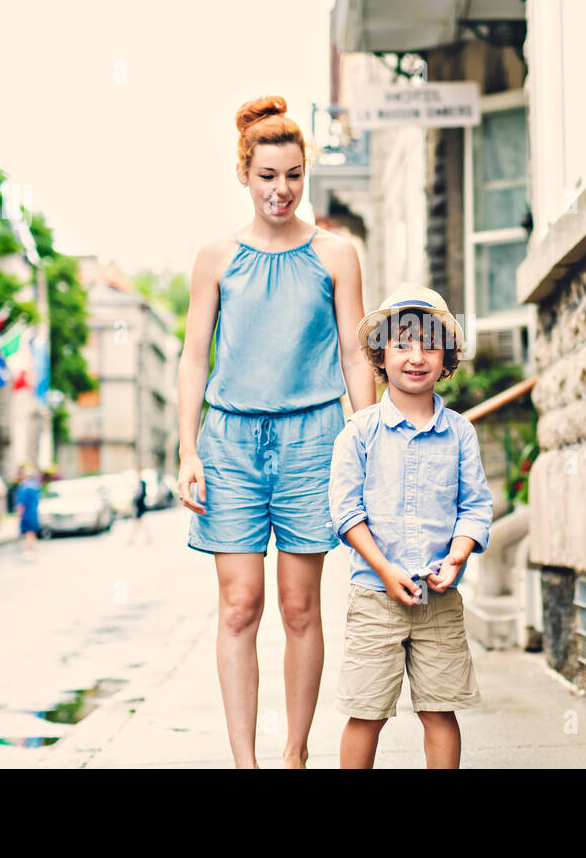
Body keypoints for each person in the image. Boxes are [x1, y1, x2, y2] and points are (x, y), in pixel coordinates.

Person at [176, 94, 376, 769]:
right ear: (244, 176)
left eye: (293, 175)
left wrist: (368, 441)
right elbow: (192, 356)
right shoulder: (214, 258)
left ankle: (294, 753)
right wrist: (185, 451)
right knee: (239, 604)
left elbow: (355, 354)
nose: (281, 190)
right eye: (267, 176)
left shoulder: (337, 255)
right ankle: (246, 762)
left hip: (314, 440)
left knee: (298, 606)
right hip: (229, 442)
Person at [328, 285, 494, 769]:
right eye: (402, 344)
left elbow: (475, 506)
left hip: (439, 601)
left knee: (440, 711)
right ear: (381, 356)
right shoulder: (359, 432)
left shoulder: (460, 432)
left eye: (429, 344)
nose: (415, 356)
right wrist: (383, 569)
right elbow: (346, 512)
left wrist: (458, 555)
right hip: (375, 596)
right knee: (365, 713)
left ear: (447, 359)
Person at [14, 463, 42, 563]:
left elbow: (21, 503)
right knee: (32, 532)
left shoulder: (24, 486)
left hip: (27, 513)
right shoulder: (36, 485)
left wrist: (19, 514)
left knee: (28, 533)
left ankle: (29, 551)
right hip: (34, 511)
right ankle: (32, 550)